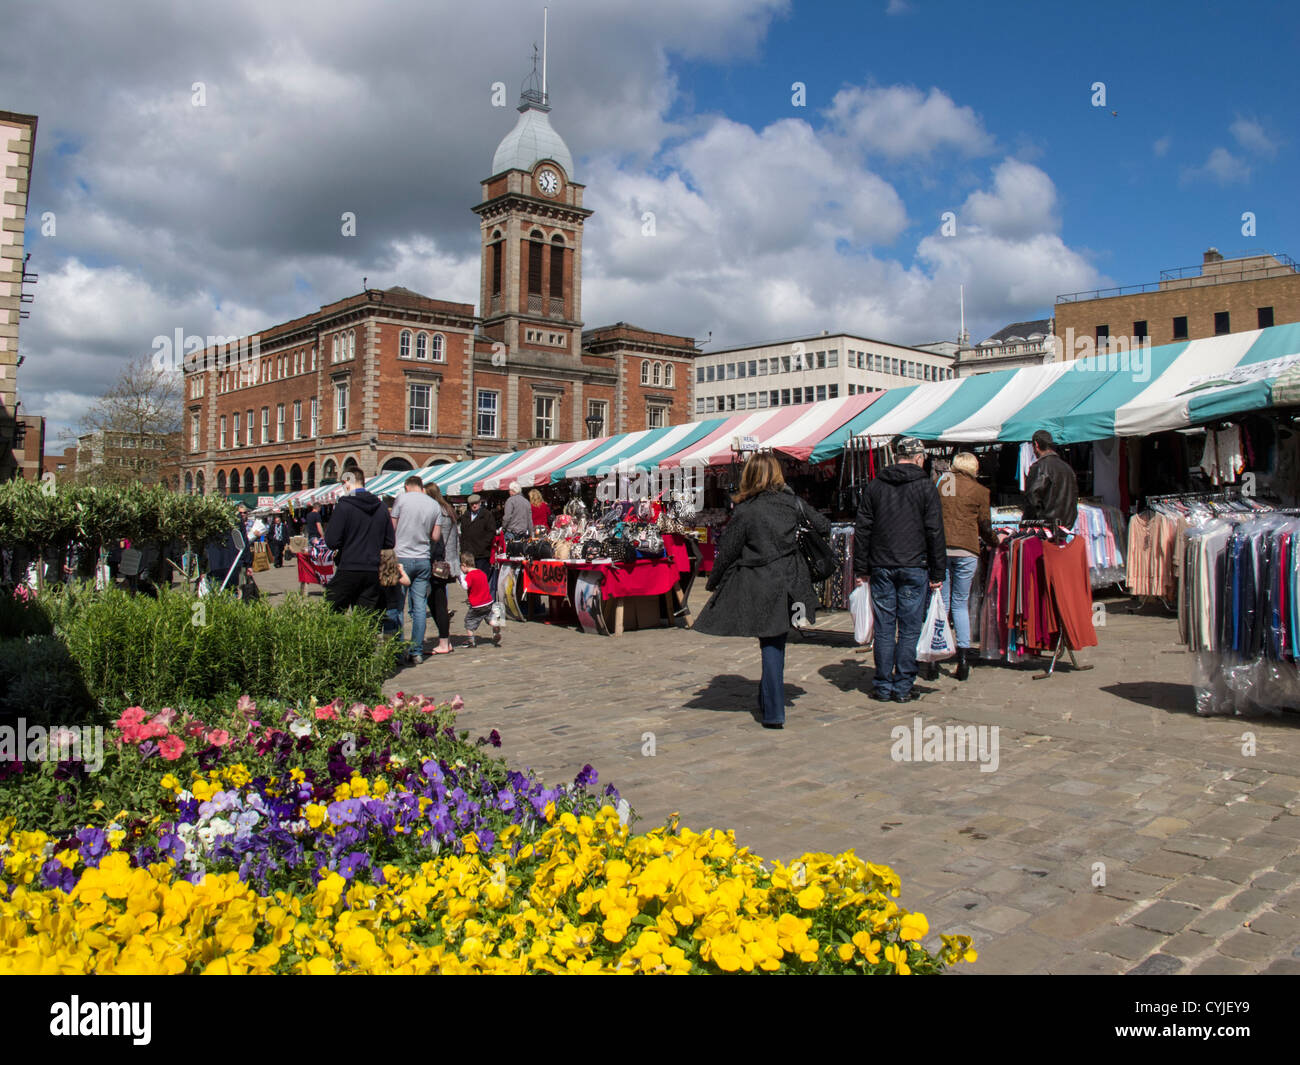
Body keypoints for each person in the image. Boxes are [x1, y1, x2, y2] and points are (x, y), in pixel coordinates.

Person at [693, 452, 829, 730]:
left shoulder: (746, 510)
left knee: (771, 642)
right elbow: (824, 526)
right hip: (790, 580)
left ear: (750, 476)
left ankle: (774, 710)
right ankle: (769, 701)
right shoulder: (792, 503)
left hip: (759, 581)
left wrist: (712, 581)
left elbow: (728, 550)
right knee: (774, 640)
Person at [853, 436, 947, 704]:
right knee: (908, 628)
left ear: (896, 457)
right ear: (918, 458)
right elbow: (935, 532)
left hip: (882, 565)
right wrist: (939, 572)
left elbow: (863, 530)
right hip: (914, 566)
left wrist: (862, 568)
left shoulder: (875, 486)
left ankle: (883, 686)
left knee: (884, 628)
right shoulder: (926, 487)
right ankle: (903, 686)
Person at [938, 452, 998, 682]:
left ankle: (935, 654)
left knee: (941, 604)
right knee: (960, 604)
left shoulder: (943, 483)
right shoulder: (980, 491)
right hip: (966, 549)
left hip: (942, 548)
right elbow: (984, 524)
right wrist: (995, 541)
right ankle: (963, 659)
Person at [324, 470, 395, 614]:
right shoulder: (381, 506)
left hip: (349, 566)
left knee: (332, 613)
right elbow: (390, 541)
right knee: (366, 618)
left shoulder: (344, 506)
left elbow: (332, 541)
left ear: (347, 483)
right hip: (373, 570)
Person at [390, 475, 438, 665]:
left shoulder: (401, 499)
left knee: (398, 605)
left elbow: (391, 528)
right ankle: (417, 651)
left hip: (401, 557)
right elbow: (435, 536)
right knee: (419, 607)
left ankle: (398, 651)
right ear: (421, 487)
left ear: (406, 486)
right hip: (422, 558)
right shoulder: (433, 504)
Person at [426, 483, 459, 655]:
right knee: (437, 600)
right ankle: (445, 639)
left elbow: (436, 539)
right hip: (449, 560)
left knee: (437, 601)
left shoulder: (437, 511)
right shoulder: (449, 509)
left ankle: (444, 641)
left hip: (439, 561)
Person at [1023, 429, 1079, 528]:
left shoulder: (1039, 467)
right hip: (1064, 529)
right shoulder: (1067, 469)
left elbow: (1032, 501)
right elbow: (1073, 503)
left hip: (1043, 531)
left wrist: (1025, 525)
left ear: (1036, 445)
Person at [458, 551, 501, 648]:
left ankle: (471, 641)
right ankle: (494, 626)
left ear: (464, 565)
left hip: (477, 605)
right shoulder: (482, 573)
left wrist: (460, 578)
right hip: (488, 602)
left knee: (469, 621)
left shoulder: (470, 575)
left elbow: (465, 586)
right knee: (489, 618)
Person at [460, 493, 496, 579]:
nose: (474, 505)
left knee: (481, 579)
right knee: (470, 580)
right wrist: (463, 549)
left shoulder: (487, 515)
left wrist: (483, 545)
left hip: (482, 554)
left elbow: (491, 532)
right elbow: (463, 533)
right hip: (469, 554)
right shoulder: (466, 516)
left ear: (480, 503)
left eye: (476, 503)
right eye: (472, 504)